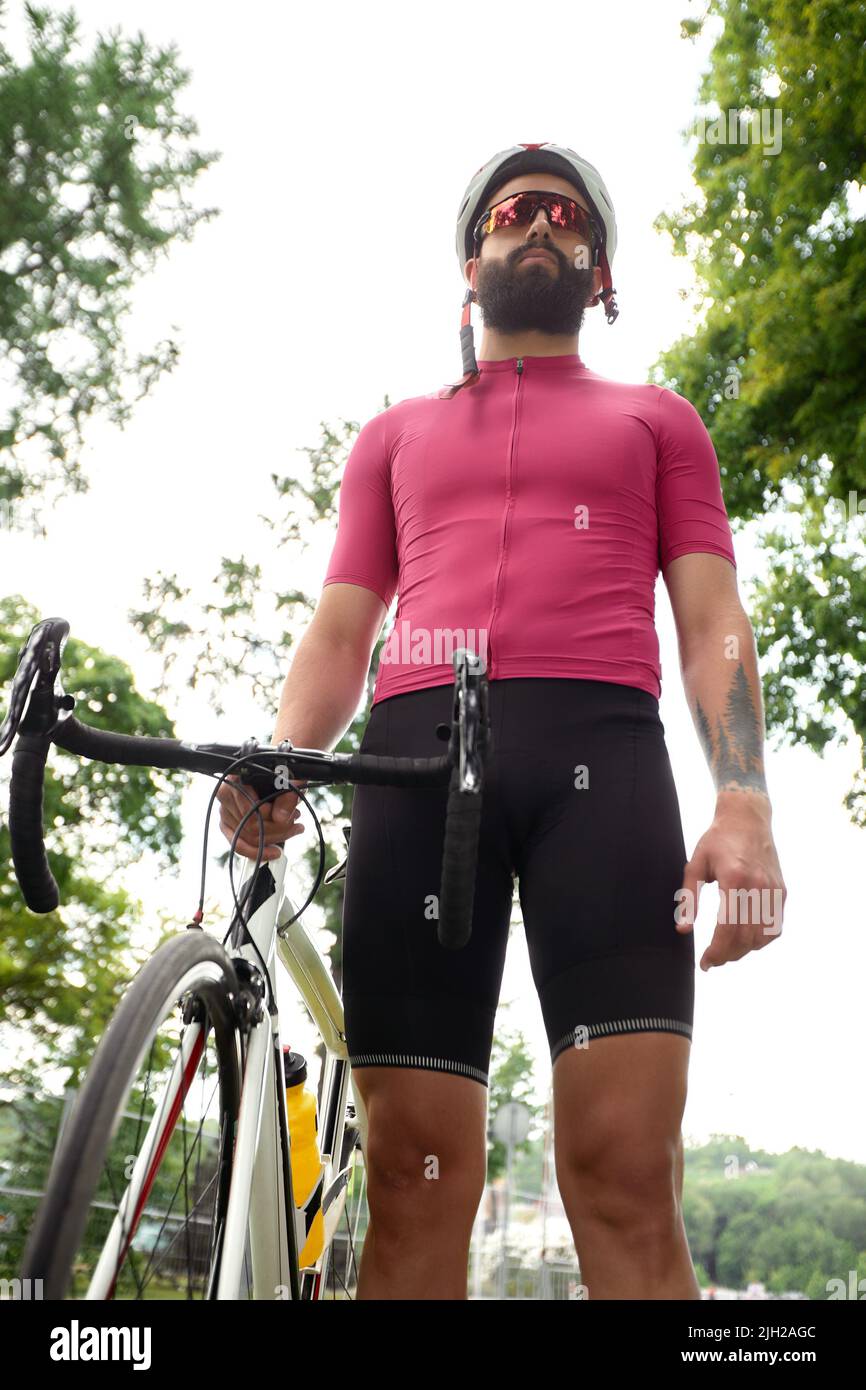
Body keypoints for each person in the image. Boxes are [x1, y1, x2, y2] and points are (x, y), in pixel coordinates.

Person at [217, 143, 787, 1300]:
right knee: (415, 1181)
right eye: (514, 210)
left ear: (601, 273)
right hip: (413, 765)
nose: (539, 223)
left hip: (606, 763)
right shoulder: (390, 438)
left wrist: (741, 797)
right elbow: (340, 632)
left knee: (625, 1176)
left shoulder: (658, 420)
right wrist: (283, 757)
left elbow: (710, 614)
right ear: (467, 262)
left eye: (567, 216)